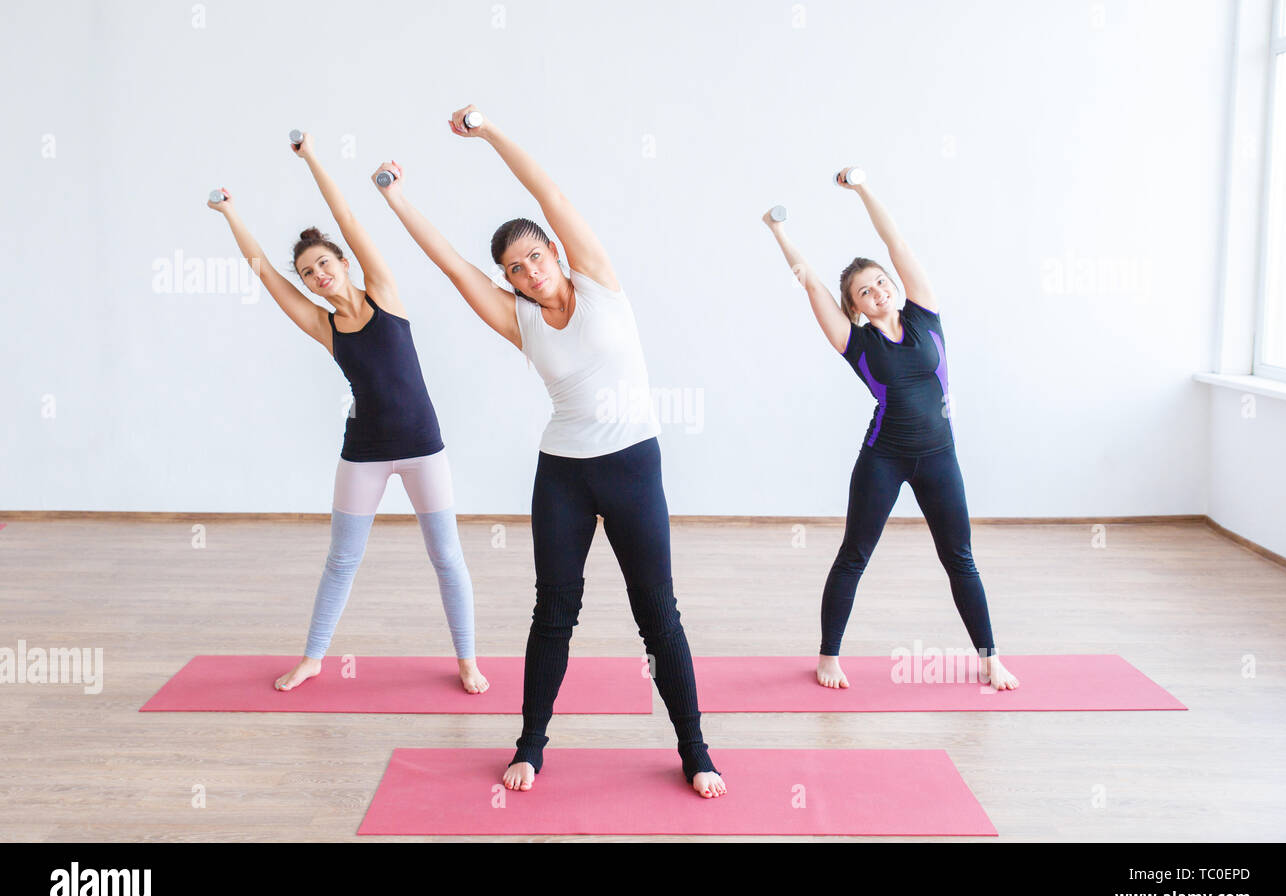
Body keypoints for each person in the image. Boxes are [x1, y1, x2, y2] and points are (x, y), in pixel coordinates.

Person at [375, 105, 725, 798]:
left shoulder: (598, 283)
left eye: (535, 256)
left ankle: (695, 748)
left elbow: (551, 197)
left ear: (556, 254)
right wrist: (394, 198)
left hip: (631, 466)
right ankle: (530, 744)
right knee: (553, 612)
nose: (529, 271)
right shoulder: (518, 320)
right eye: (514, 267)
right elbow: (449, 264)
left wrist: (490, 131)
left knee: (657, 614)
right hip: (563, 473)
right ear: (507, 279)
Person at [206, 131, 487, 695]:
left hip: (423, 447)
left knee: (447, 557)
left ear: (342, 261)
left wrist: (310, 156)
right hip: (363, 455)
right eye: (308, 274)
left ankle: (467, 661)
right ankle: (313, 657)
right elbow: (263, 271)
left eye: (324, 263)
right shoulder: (322, 325)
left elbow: (348, 218)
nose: (318, 276)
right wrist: (230, 212)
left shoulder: (383, 292)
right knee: (341, 561)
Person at [761, 167, 1019, 693]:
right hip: (884, 458)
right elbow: (809, 281)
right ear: (854, 308)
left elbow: (894, 240)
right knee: (855, 553)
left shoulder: (925, 313)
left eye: (881, 281)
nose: (878, 290)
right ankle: (828, 655)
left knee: (960, 558)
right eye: (864, 291)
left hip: (939, 456)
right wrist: (777, 229)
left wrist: (861, 189)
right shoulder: (855, 344)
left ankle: (990, 657)